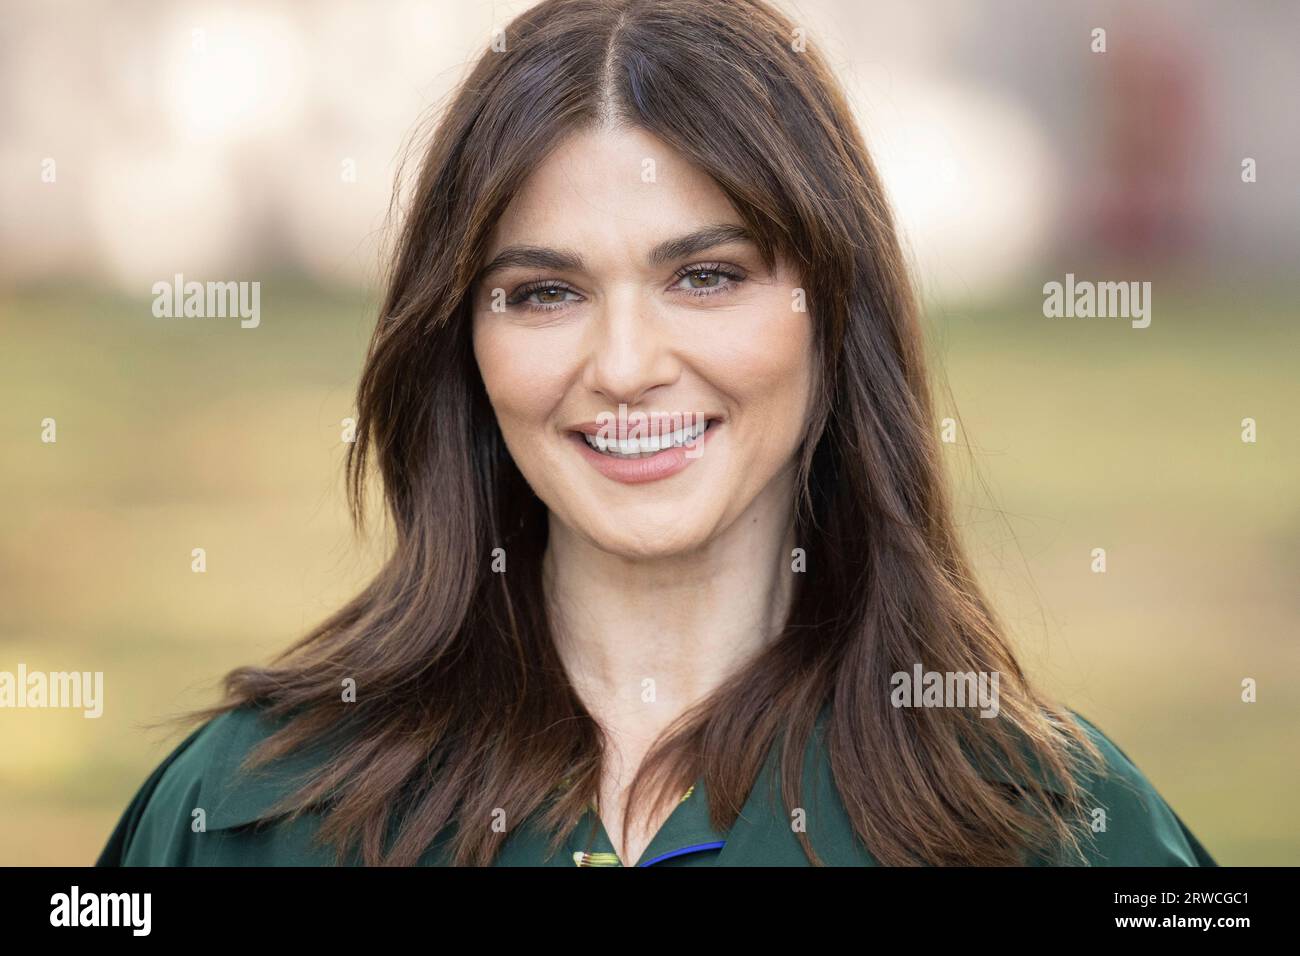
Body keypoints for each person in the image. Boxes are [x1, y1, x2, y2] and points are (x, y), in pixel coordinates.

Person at [97, 0, 1216, 867]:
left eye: (706, 275)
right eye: (544, 291)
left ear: (832, 308)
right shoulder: (248, 812)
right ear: (461, 345)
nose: (626, 365)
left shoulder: (1047, 824)